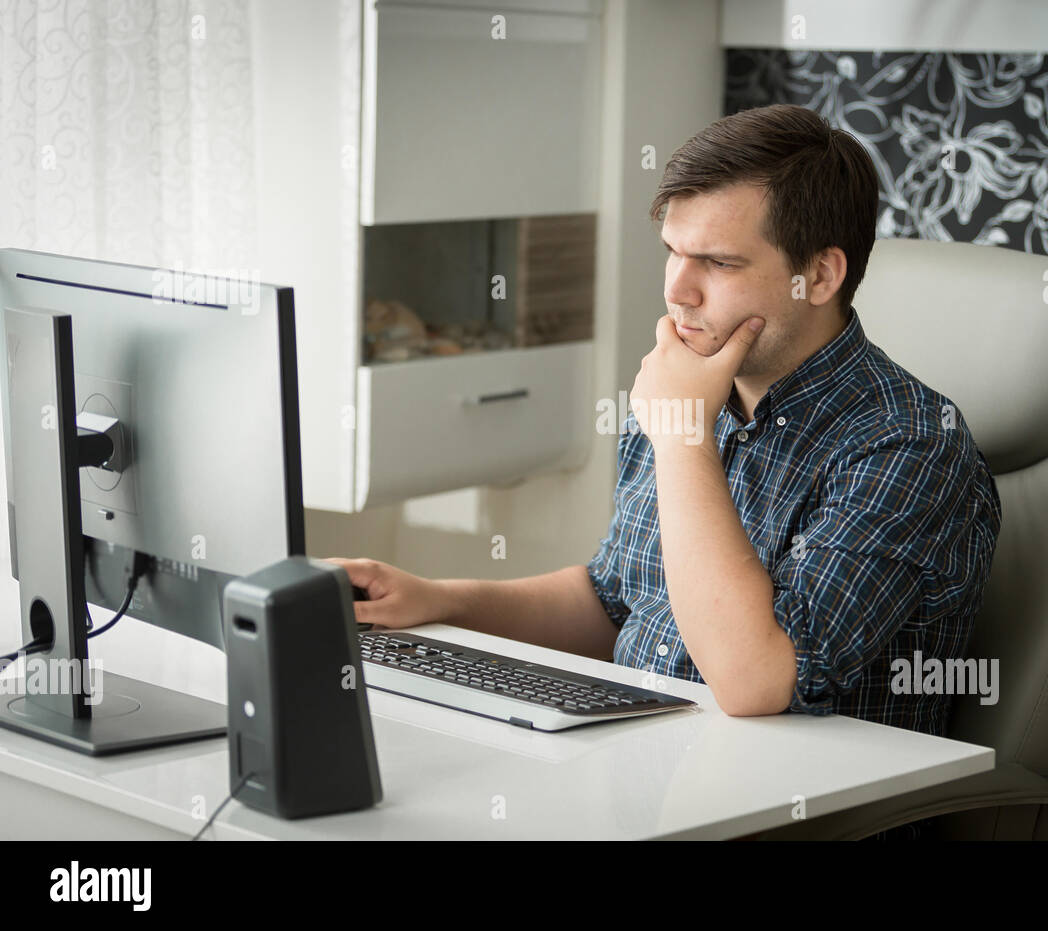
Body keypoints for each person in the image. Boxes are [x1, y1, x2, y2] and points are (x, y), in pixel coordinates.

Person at [329, 104, 1001, 745]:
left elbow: (756, 679)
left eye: (719, 262)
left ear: (820, 274)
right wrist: (437, 599)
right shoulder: (688, 384)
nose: (678, 289)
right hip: (643, 766)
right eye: (674, 252)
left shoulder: (908, 443)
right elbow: (614, 600)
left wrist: (682, 437)